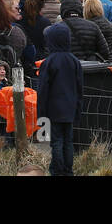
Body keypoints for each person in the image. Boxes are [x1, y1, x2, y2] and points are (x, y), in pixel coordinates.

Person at [37, 22, 83, 176]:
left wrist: (41, 112)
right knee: (68, 141)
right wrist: (78, 108)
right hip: (70, 107)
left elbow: (43, 89)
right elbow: (79, 87)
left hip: (53, 108)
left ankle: (57, 170)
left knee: (56, 141)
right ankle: (68, 170)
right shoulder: (74, 61)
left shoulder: (48, 62)